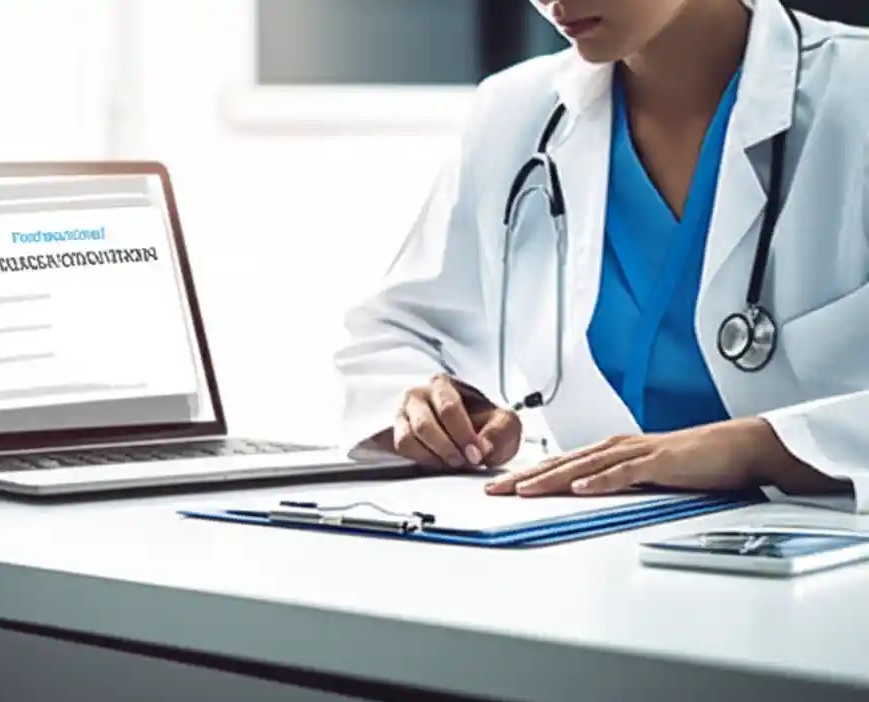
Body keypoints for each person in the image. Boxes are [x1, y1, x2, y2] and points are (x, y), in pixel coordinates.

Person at [334, 0, 869, 512]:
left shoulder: (854, 89)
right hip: (591, 559)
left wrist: (756, 449)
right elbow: (398, 336)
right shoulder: (514, 111)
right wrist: (437, 411)